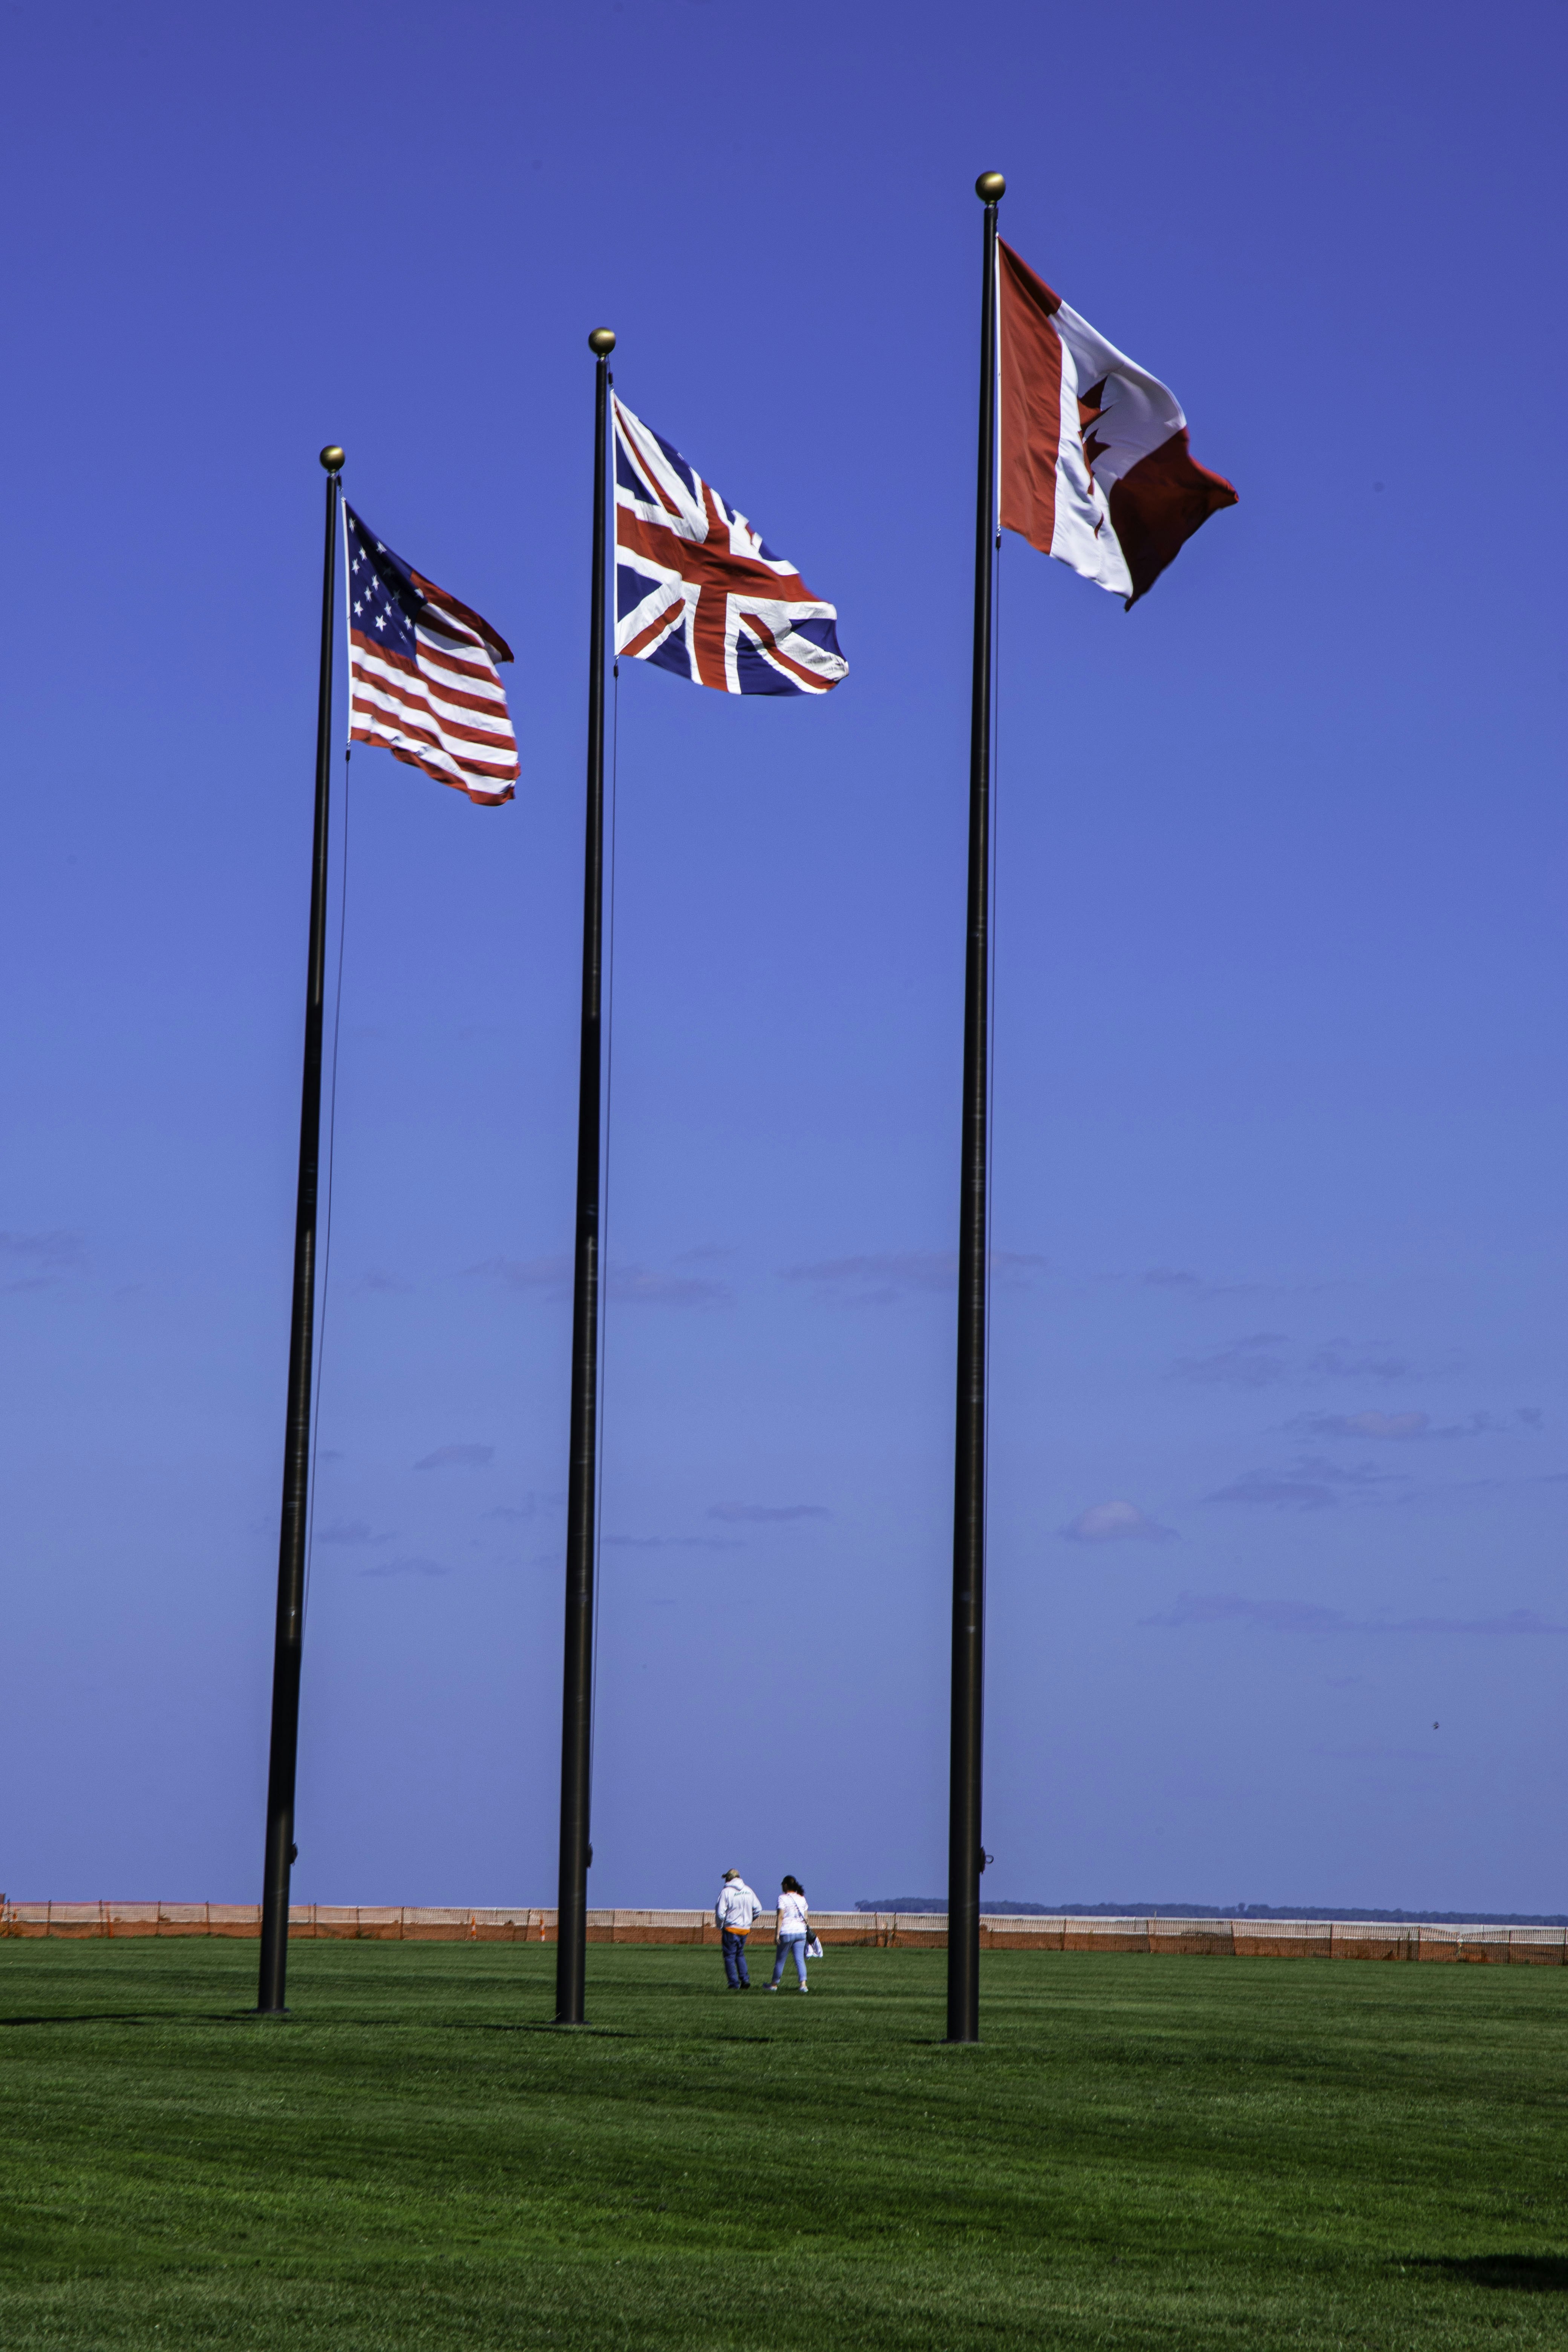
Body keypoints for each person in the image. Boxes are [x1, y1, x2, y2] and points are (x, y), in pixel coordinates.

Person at [714, 1868, 763, 1990]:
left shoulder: (726, 1892)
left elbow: (720, 1913)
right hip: (745, 1930)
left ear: (728, 1878)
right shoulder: (748, 1890)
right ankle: (745, 1979)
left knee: (729, 1957)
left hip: (731, 1929)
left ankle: (734, 1983)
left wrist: (721, 1926)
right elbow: (758, 1909)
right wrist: (749, 1921)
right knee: (740, 1954)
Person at [766, 1875, 811, 1992]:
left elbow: (781, 1917)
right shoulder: (802, 1898)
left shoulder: (782, 1898)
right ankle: (803, 1985)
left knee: (781, 1960)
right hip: (801, 1932)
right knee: (800, 1960)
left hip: (787, 1932)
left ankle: (774, 1985)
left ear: (786, 1885)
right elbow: (806, 1917)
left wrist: (777, 1934)